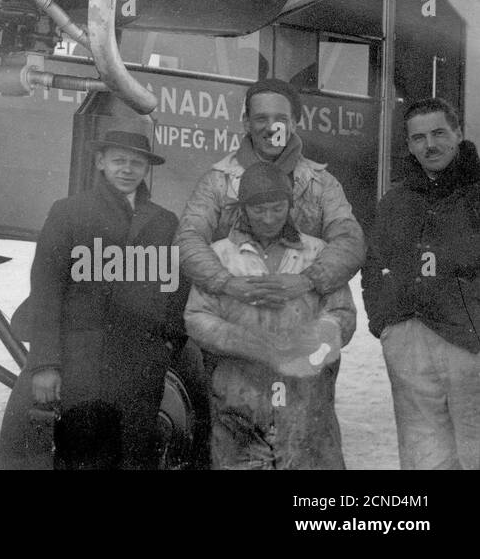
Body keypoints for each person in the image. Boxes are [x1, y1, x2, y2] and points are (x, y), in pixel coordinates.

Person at [0, 129, 189, 469]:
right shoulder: (69, 213)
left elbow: (176, 292)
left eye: (136, 163)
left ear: (147, 168)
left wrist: (166, 347)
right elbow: (45, 292)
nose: (127, 169)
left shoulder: (164, 222)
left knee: (134, 458)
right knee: (80, 457)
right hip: (81, 367)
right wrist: (45, 365)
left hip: (140, 369)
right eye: (118, 161)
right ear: (100, 162)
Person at [184, 161, 356, 469]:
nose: (268, 218)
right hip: (239, 401)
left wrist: (307, 341)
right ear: (242, 209)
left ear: (290, 206)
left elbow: (343, 314)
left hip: (307, 402)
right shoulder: (221, 255)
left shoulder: (316, 253)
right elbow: (197, 317)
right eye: (258, 210)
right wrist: (255, 344)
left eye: (277, 209)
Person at [362, 97, 480, 469]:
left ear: (458, 133)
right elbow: (374, 265)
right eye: (418, 138)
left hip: (469, 344)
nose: (430, 145)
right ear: (409, 145)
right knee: (424, 458)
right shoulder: (397, 200)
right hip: (411, 342)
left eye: (439, 133)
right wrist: (387, 326)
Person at [177, 78, 365, 311]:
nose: (271, 127)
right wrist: (226, 283)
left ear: (294, 124)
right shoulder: (218, 182)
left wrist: (307, 281)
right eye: (261, 118)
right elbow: (188, 239)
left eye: (281, 119)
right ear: (246, 123)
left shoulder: (321, 183)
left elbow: (350, 241)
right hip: (234, 317)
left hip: (304, 318)